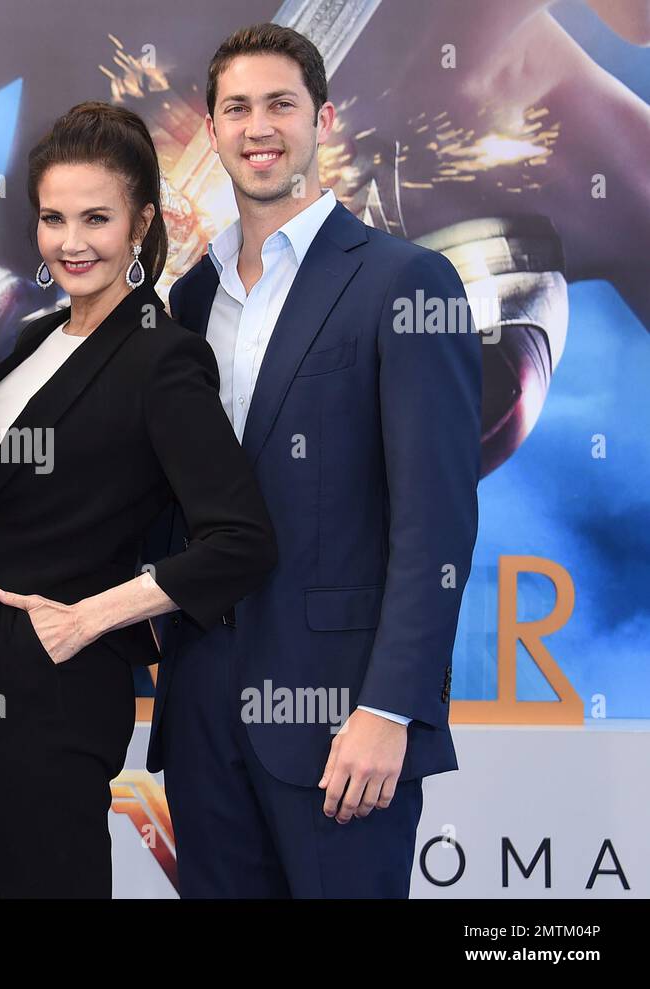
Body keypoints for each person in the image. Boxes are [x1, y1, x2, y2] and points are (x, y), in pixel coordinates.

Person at [148, 23, 482, 897]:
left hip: (344, 724)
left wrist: (389, 707)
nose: (259, 127)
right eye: (237, 109)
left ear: (323, 119)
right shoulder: (190, 298)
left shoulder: (409, 283)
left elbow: (437, 522)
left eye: (280, 105)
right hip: (203, 722)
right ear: (211, 131)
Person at [0, 101, 278, 898]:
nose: (71, 242)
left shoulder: (162, 358)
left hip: (55, 692)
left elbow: (241, 538)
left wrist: (88, 617)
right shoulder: (36, 336)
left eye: (96, 217)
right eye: (53, 219)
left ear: (142, 222)